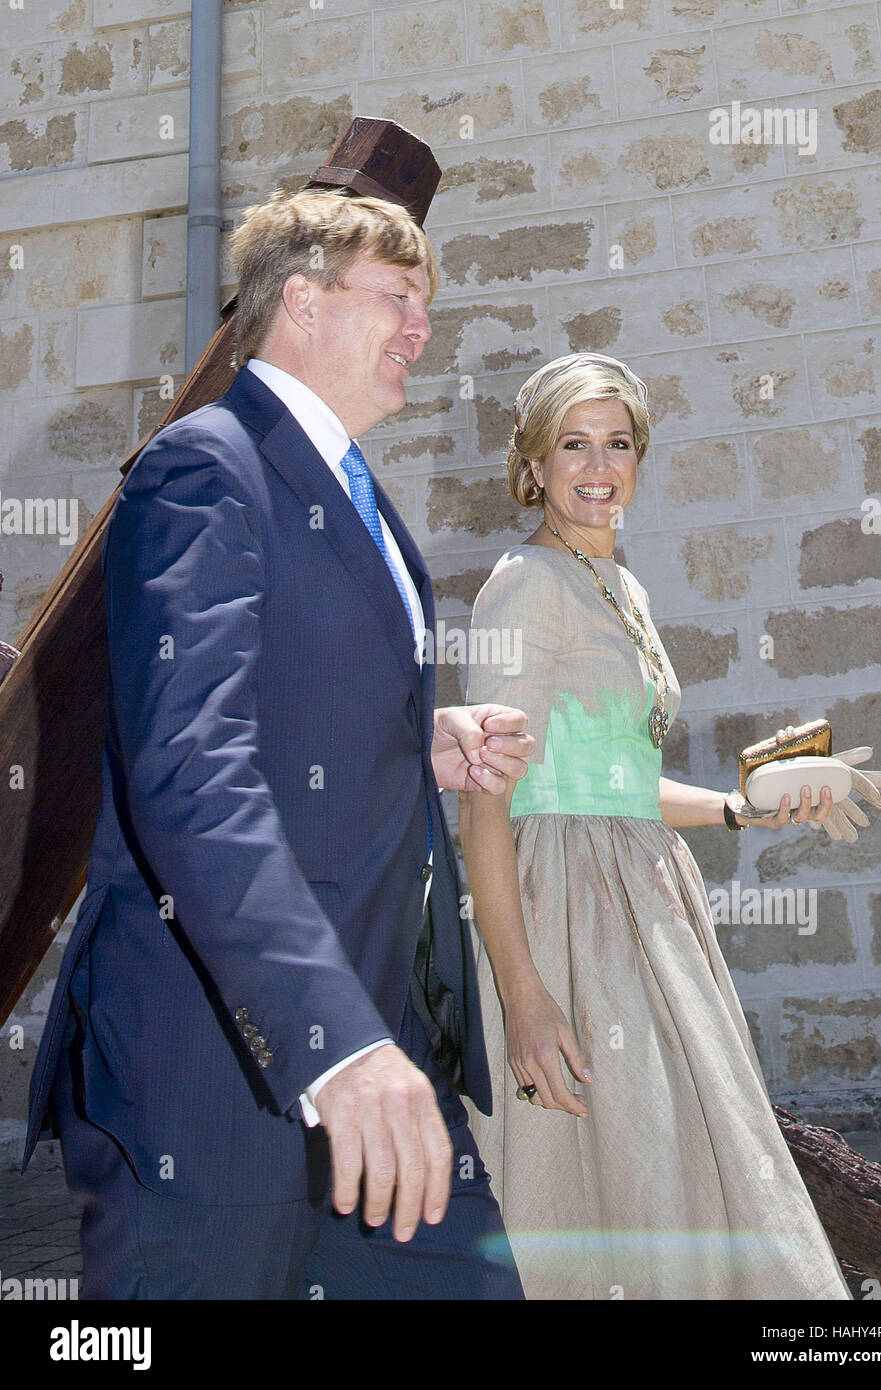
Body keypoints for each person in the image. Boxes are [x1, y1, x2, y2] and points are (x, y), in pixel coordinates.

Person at [22, 189, 533, 1300]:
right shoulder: (204, 469)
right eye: (398, 296)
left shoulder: (353, 494)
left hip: (387, 1050)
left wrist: (415, 740)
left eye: (426, 305)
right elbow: (190, 770)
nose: (421, 329)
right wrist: (331, 1044)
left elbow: (283, 706)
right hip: (224, 1082)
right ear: (300, 301)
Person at [459, 352, 881, 1300]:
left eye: (618, 443)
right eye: (573, 444)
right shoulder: (524, 585)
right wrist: (525, 994)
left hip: (648, 902)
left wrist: (744, 803)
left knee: (689, 1162)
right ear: (533, 464)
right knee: (602, 1176)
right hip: (561, 911)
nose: (597, 465)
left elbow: (623, 782)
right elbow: (486, 799)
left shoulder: (624, 588)